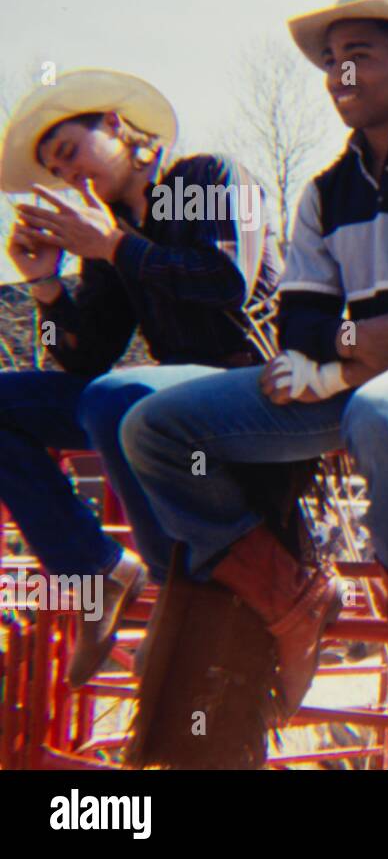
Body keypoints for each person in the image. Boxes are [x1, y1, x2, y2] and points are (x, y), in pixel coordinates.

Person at [120, 0, 388, 726]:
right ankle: (289, 592)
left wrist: (336, 356)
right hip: (360, 378)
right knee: (153, 427)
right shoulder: (321, 191)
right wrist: (348, 344)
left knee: (379, 413)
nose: (341, 74)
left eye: (361, 55)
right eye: (332, 59)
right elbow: (300, 324)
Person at [0, 69, 281, 688]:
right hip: (168, 394)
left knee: (115, 398)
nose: (71, 175)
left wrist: (115, 249)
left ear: (112, 125)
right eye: (57, 169)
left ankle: (171, 586)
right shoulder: (113, 230)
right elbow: (83, 357)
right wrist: (46, 286)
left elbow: (228, 282)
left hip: (253, 387)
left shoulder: (204, 176)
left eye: (70, 153)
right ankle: (95, 569)